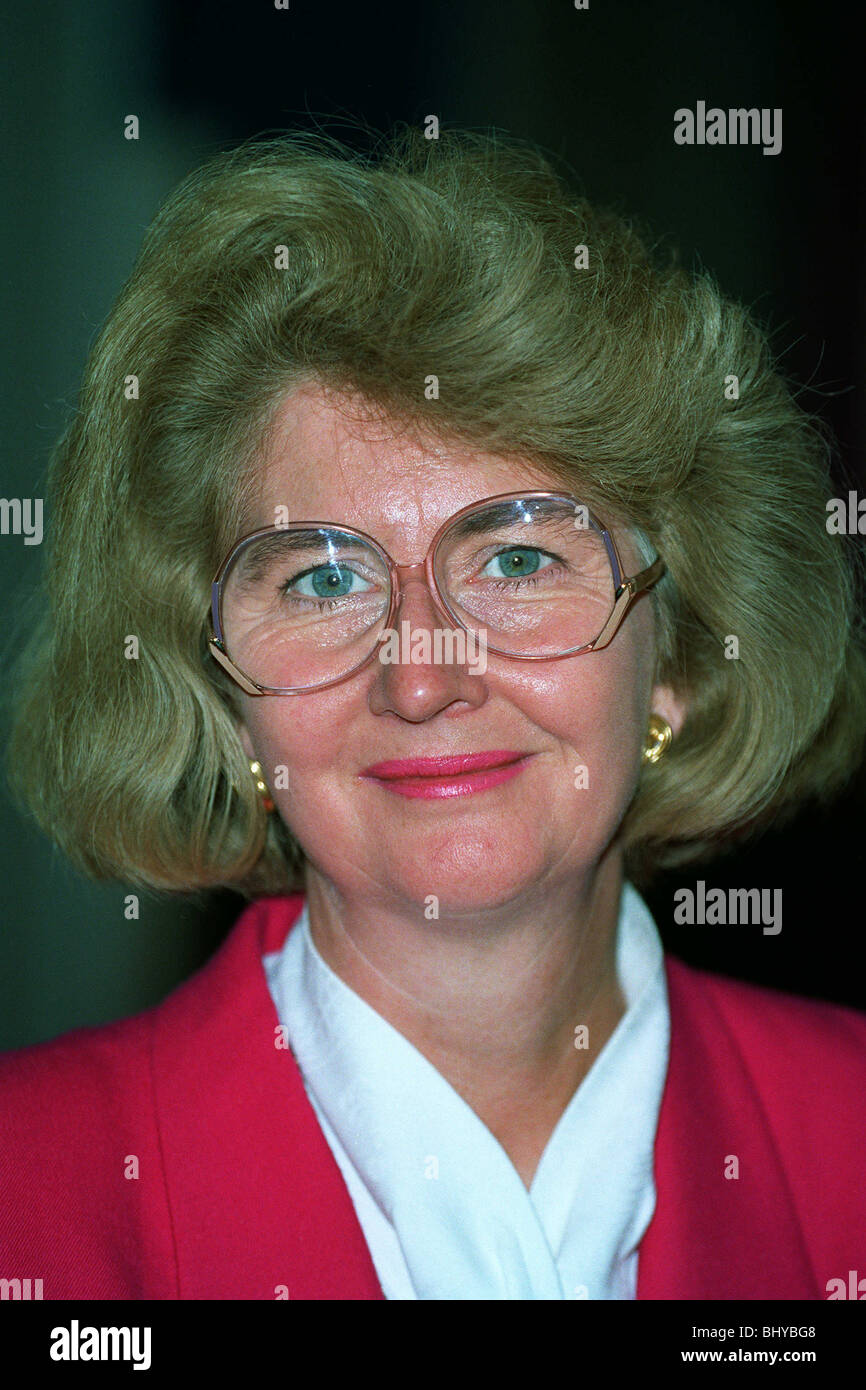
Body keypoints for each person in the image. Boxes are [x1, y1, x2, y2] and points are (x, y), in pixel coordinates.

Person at [2, 125, 865, 1301]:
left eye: (515, 559)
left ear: (679, 651)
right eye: (320, 578)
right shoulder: (27, 1192)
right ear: (219, 690)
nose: (421, 678)